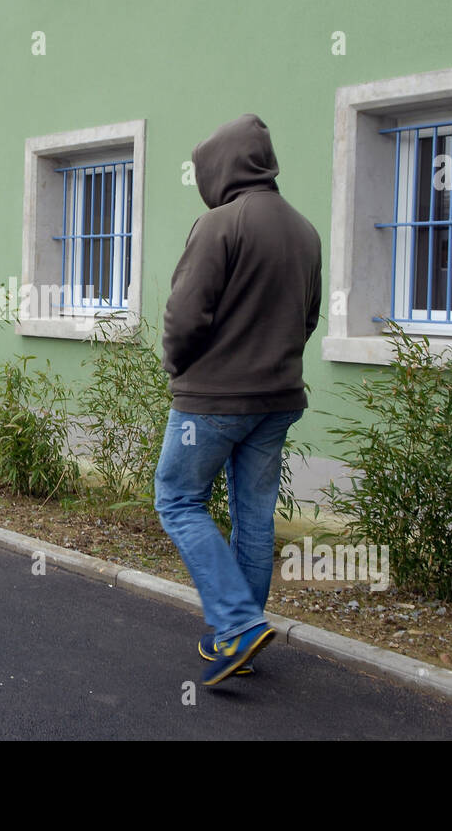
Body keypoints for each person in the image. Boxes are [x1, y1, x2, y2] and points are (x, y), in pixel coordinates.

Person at [155, 113, 322, 685]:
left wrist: (177, 364)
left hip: (211, 401)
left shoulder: (219, 224)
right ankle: (241, 635)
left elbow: (184, 314)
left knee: (177, 499)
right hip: (276, 400)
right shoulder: (304, 231)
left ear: (221, 167)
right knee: (253, 515)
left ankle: (236, 624)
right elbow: (308, 318)